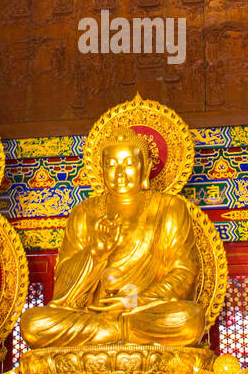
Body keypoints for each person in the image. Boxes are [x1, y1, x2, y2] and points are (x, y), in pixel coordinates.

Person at [20, 128, 205, 347]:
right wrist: (95, 255)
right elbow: (63, 294)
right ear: (101, 170)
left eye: (128, 164)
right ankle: (117, 331)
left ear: (144, 169)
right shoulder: (84, 213)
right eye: (111, 165)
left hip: (141, 314)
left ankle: (113, 331)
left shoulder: (169, 207)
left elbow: (184, 274)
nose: (119, 173)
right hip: (93, 315)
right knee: (33, 324)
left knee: (189, 319)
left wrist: (134, 301)